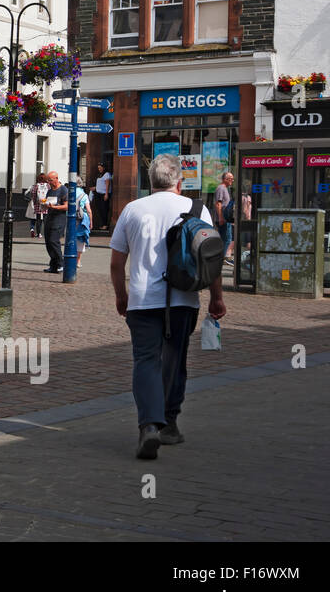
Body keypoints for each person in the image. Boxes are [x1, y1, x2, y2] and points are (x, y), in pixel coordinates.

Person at [110, 153, 226, 460]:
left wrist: (121, 295)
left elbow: (116, 261)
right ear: (179, 181)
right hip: (183, 298)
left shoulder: (132, 209)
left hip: (142, 299)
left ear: (150, 181)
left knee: (146, 360)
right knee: (175, 359)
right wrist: (217, 297)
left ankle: (149, 425)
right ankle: (170, 424)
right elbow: (210, 259)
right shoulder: (197, 209)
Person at [42, 170, 68, 272]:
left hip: (59, 219)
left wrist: (55, 207)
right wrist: (44, 205)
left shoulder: (63, 190)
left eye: (51, 180)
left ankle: (61, 263)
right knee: (48, 242)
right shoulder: (50, 190)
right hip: (49, 218)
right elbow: (47, 204)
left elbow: (67, 206)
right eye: (48, 180)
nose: (49, 182)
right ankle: (53, 265)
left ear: (56, 179)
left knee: (54, 241)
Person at [214, 171, 235, 267]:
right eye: (231, 179)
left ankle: (221, 258)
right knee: (227, 238)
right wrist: (221, 217)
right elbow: (218, 204)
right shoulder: (221, 188)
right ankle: (222, 258)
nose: (232, 180)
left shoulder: (225, 189)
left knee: (225, 238)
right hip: (223, 219)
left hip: (226, 218)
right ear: (225, 179)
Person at [74, 183, 92, 269]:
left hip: (71, 218)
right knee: (81, 239)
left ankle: (70, 258)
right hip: (81, 219)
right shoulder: (84, 195)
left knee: (71, 238)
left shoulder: (69, 192)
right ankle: (78, 261)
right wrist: (91, 221)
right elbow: (88, 210)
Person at [29, 172, 49, 238]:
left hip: (38, 204)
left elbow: (33, 195)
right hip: (46, 204)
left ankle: (39, 233)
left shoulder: (36, 186)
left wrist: (35, 203)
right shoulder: (48, 186)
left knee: (38, 219)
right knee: (46, 219)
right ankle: (46, 233)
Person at [93, 162, 112, 230]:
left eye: (100, 168)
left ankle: (105, 224)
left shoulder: (107, 174)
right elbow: (100, 184)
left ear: (104, 168)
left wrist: (106, 194)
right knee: (99, 209)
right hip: (98, 194)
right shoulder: (100, 175)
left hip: (104, 194)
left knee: (104, 209)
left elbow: (107, 184)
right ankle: (102, 224)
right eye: (98, 168)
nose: (99, 169)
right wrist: (95, 188)